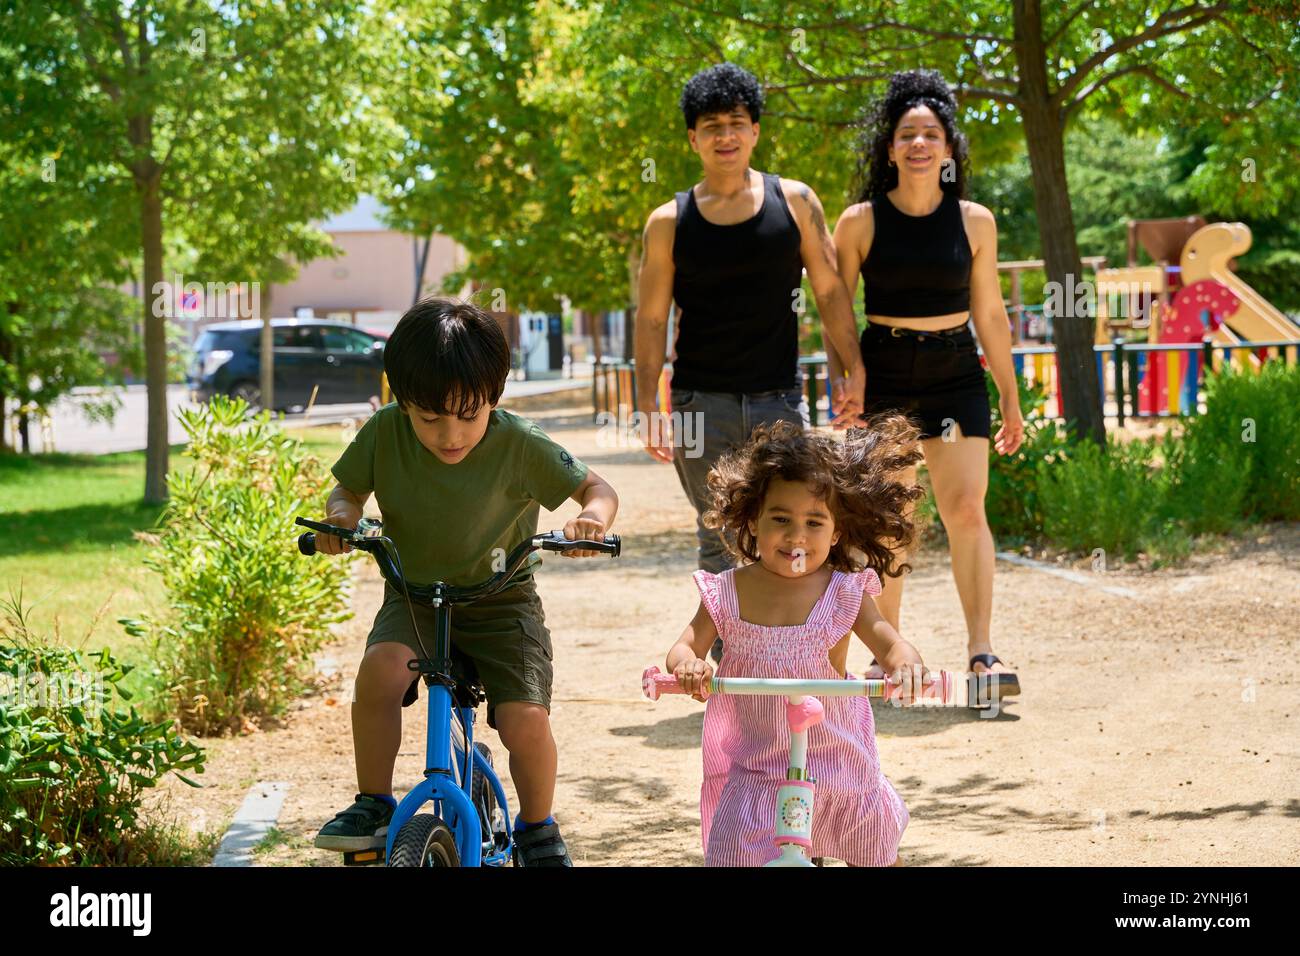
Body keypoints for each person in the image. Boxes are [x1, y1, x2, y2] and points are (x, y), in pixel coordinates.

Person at [311, 297, 619, 867]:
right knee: (380, 671)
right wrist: (342, 519)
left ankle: (537, 829)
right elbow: (347, 492)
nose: (450, 434)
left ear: (494, 398)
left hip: (503, 603)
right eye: (429, 418)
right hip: (417, 598)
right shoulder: (383, 434)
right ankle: (374, 804)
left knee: (526, 719)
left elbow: (598, 491)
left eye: (468, 414)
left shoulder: (519, 442)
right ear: (401, 403)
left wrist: (591, 521)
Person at [636, 62, 867, 663]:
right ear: (693, 138)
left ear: (756, 130)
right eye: (711, 126)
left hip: (777, 397)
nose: (724, 136)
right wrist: (646, 407)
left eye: (736, 123)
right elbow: (653, 320)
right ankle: (734, 674)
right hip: (697, 402)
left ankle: (798, 662)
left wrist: (852, 365)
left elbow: (831, 289)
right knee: (718, 534)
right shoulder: (668, 222)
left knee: (794, 527)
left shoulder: (794, 203)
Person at [827, 69, 1023, 697]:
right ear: (889, 149)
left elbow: (991, 313)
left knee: (966, 509)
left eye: (930, 134)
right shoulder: (858, 221)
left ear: (948, 148)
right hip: (886, 372)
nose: (918, 144)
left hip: (957, 371)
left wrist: (1011, 399)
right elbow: (835, 313)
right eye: (907, 134)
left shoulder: (975, 221)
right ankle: (891, 657)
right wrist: (847, 382)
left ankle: (982, 654)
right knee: (890, 521)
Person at [664, 418, 931, 866]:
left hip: (838, 765)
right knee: (732, 853)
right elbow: (684, 647)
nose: (796, 536)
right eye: (781, 519)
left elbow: (891, 644)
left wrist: (905, 665)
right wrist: (688, 666)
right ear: (753, 519)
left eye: (814, 522)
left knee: (874, 852)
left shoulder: (844, 590)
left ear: (837, 531)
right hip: (759, 769)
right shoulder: (728, 591)